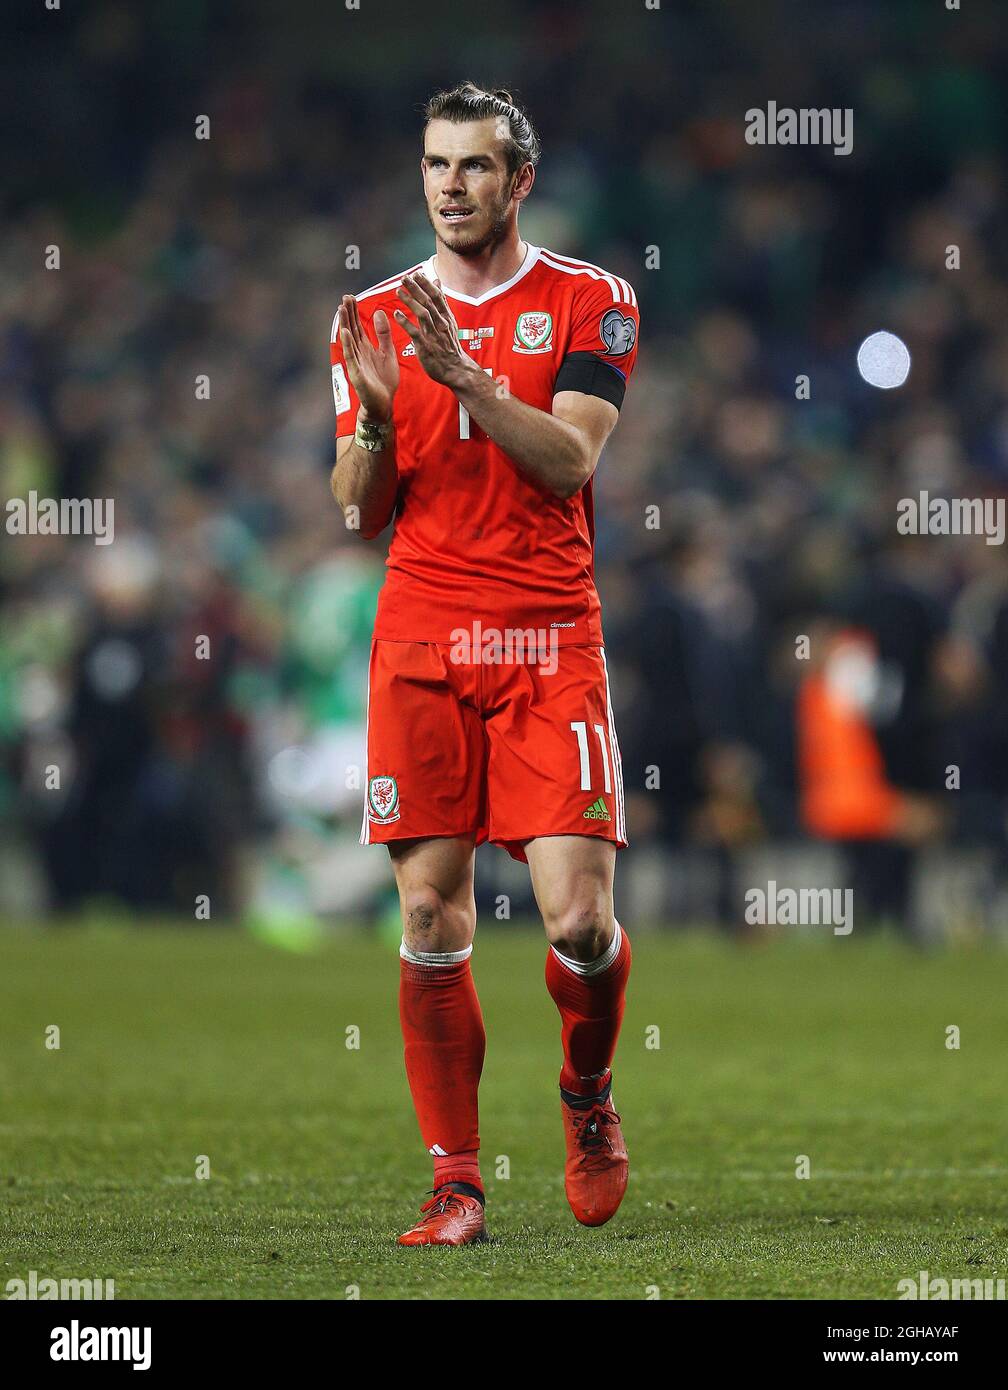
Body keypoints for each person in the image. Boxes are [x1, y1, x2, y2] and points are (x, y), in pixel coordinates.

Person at [330, 82, 640, 1246]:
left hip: (548, 634)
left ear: (520, 183)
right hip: (421, 633)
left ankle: (587, 1096)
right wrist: (370, 420)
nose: (450, 186)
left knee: (576, 924)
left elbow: (567, 460)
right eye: (433, 165)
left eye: (474, 166)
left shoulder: (592, 301)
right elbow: (358, 511)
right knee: (428, 910)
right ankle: (454, 1182)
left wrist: (463, 379)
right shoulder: (368, 314)